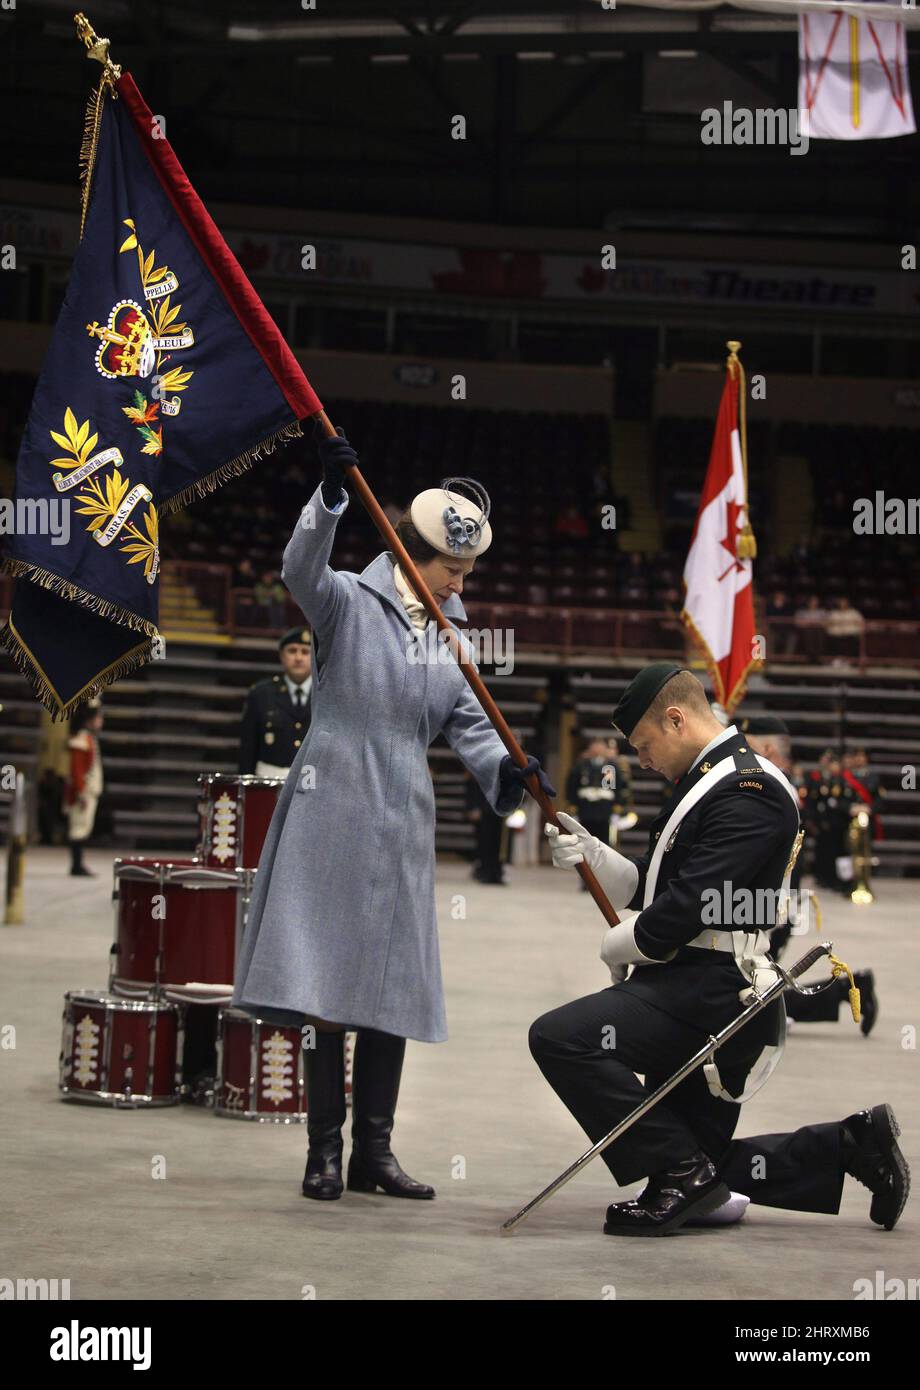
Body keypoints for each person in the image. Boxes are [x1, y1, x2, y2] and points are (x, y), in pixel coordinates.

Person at [232, 424, 554, 1203]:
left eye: (469, 571)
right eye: (454, 569)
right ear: (414, 553)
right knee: (327, 987)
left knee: (389, 989)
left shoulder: (452, 635)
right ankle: (324, 1154)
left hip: (405, 811)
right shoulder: (347, 602)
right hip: (334, 800)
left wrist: (508, 774)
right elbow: (297, 567)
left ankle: (374, 1154)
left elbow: (470, 723)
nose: (461, 584)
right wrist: (332, 498)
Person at [531, 663, 908, 1236]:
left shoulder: (750, 790)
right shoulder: (713, 778)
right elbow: (667, 889)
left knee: (560, 1038)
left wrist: (622, 942)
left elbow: (690, 908)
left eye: (645, 743)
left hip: (710, 992)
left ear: (676, 719)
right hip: (689, 982)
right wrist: (595, 858)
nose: (643, 760)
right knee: (700, 1165)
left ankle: (680, 1171)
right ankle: (852, 1144)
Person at [743, 715, 878, 1035]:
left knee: (746, 998)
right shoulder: (775, 782)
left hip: (768, 904)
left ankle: (847, 989)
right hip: (769, 902)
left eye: (746, 746)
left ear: (767, 749)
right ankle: (848, 989)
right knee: (749, 995)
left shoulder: (772, 785)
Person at [239, 627, 314, 778]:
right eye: (292, 651)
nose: (298, 658)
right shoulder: (261, 694)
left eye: (305, 652)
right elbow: (248, 748)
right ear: (281, 656)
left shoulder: (326, 696)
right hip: (269, 780)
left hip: (312, 781)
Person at [64, 700, 104, 877]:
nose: (101, 721)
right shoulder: (82, 739)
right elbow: (77, 770)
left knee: (83, 827)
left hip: (87, 791)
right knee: (79, 828)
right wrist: (81, 793)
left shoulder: (88, 739)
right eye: (98, 717)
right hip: (83, 792)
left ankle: (78, 863)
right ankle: (76, 864)